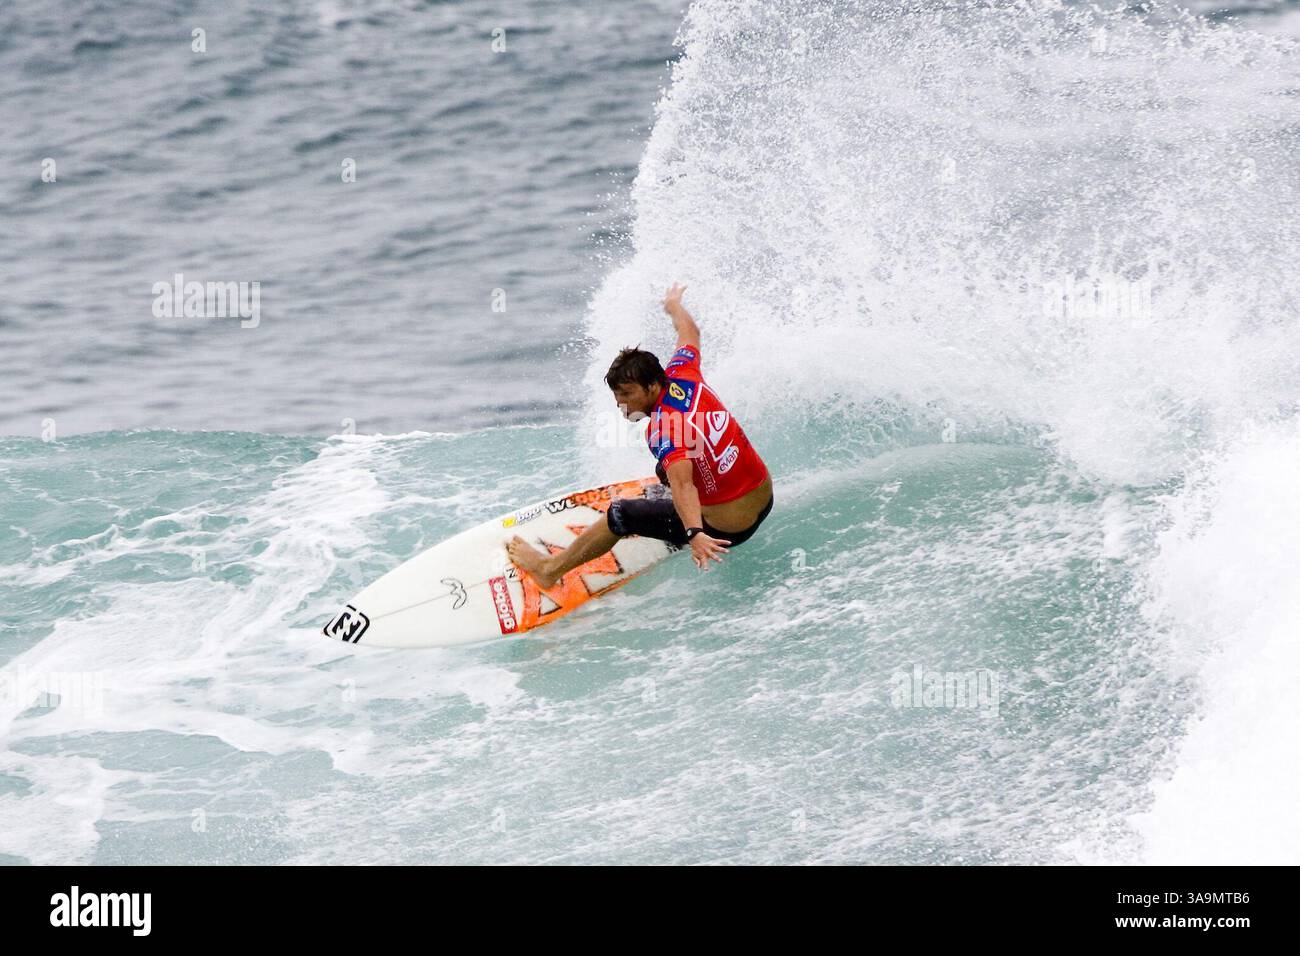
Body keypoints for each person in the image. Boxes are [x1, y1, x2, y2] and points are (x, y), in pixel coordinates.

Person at [506, 283, 773, 588]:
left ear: (651, 387)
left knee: (622, 512)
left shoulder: (665, 428)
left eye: (627, 394)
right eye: (617, 395)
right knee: (666, 469)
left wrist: (695, 534)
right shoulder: (683, 372)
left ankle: (549, 569)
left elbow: (684, 483)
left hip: (727, 530)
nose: (621, 403)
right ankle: (674, 514)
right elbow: (690, 331)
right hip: (764, 500)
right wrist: (674, 305)